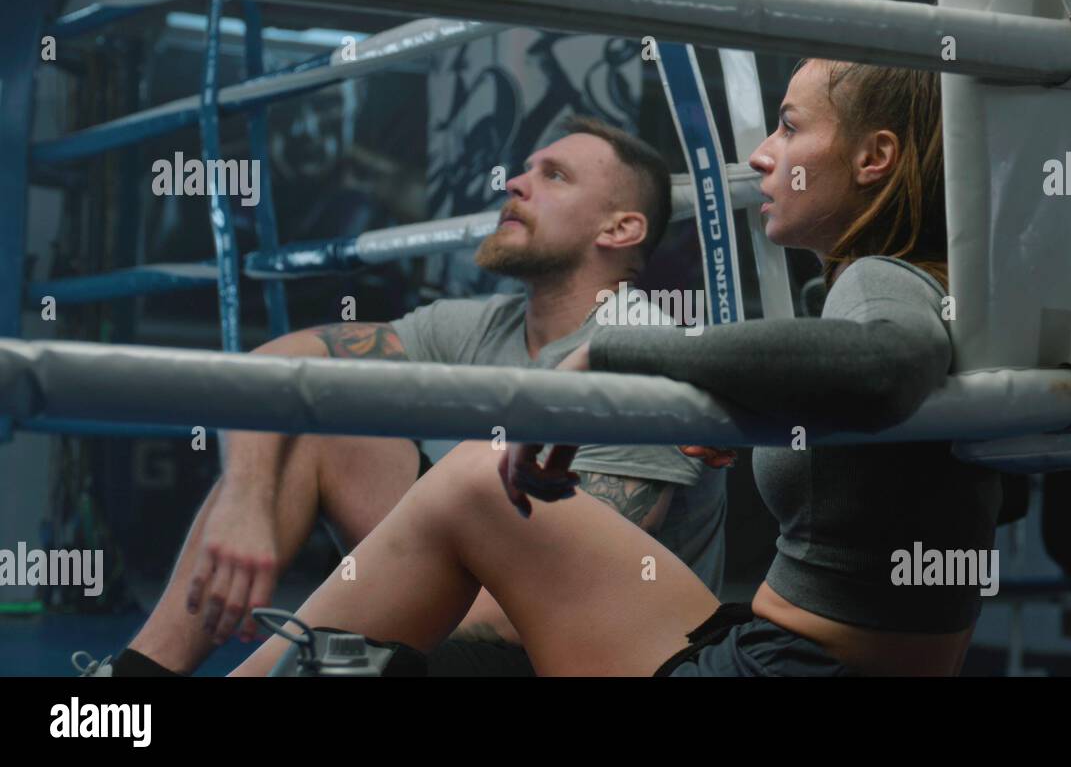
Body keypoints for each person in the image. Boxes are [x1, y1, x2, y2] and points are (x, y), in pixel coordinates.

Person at [230, 57, 1003, 677]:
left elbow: (886, 366)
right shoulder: (905, 290)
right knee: (461, 484)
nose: (762, 155)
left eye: (790, 127)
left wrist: (608, 353)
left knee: (473, 481)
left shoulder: (881, 279)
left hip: (791, 662)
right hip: (789, 648)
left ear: (875, 158)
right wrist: (745, 405)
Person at [75, 116, 728, 677]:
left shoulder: (638, 344)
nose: (514, 182)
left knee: (462, 506)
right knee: (318, 421)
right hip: (474, 609)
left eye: (554, 175)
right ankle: (137, 678)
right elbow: (278, 365)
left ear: (619, 229)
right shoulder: (483, 324)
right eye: (524, 169)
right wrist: (243, 501)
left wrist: (346, 635)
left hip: (586, 646)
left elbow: (537, 597)